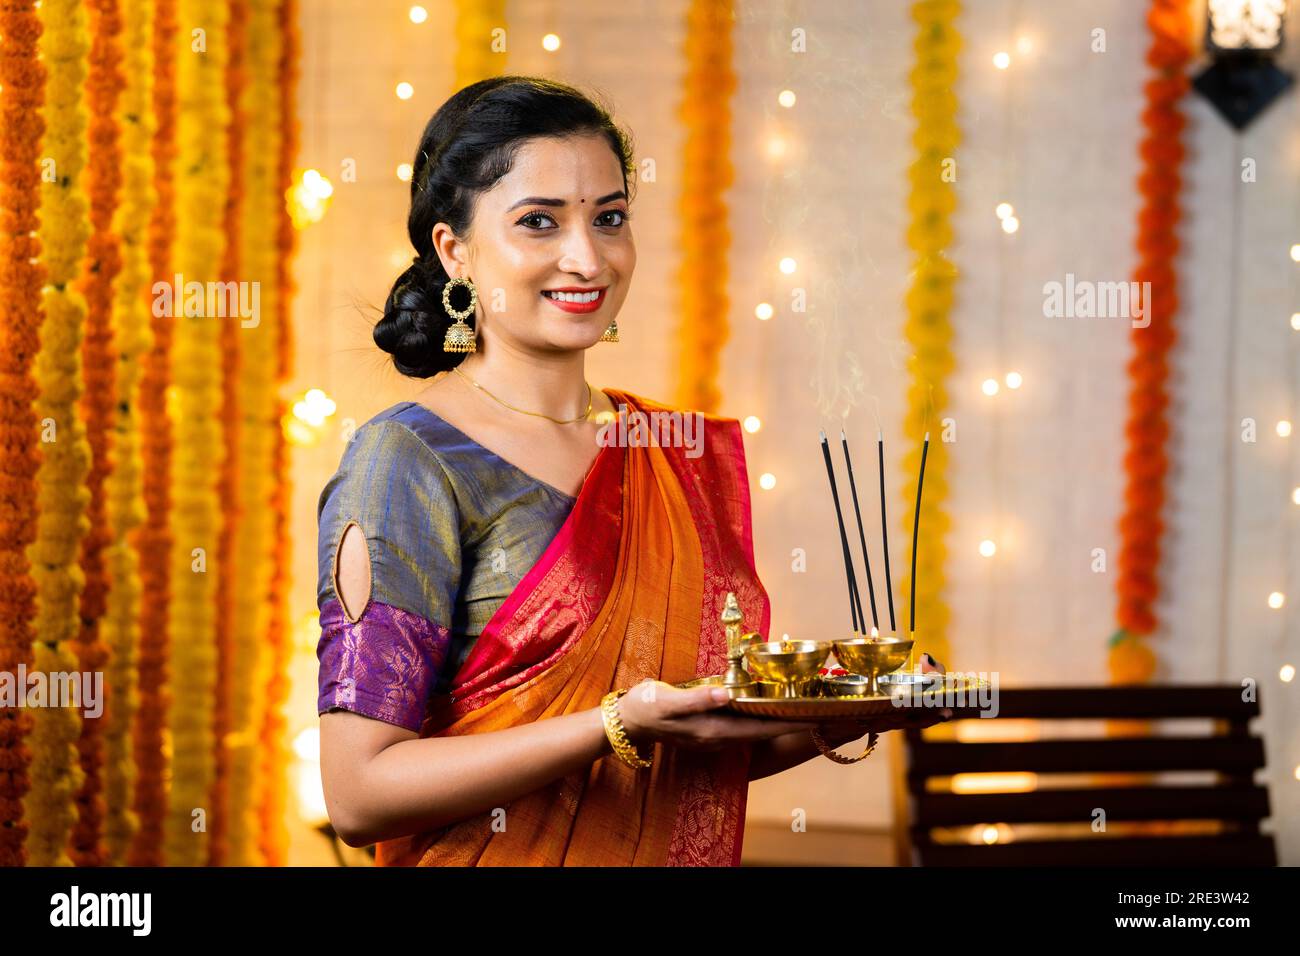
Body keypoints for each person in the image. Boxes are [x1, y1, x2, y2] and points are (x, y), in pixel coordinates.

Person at [315, 75, 950, 867]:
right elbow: (358, 793)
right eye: (538, 222)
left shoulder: (665, 447)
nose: (587, 257)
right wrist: (613, 724)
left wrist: (857, 707)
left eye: (609, 218)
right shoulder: (406, 459)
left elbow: (690, 752)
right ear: (456, 250)